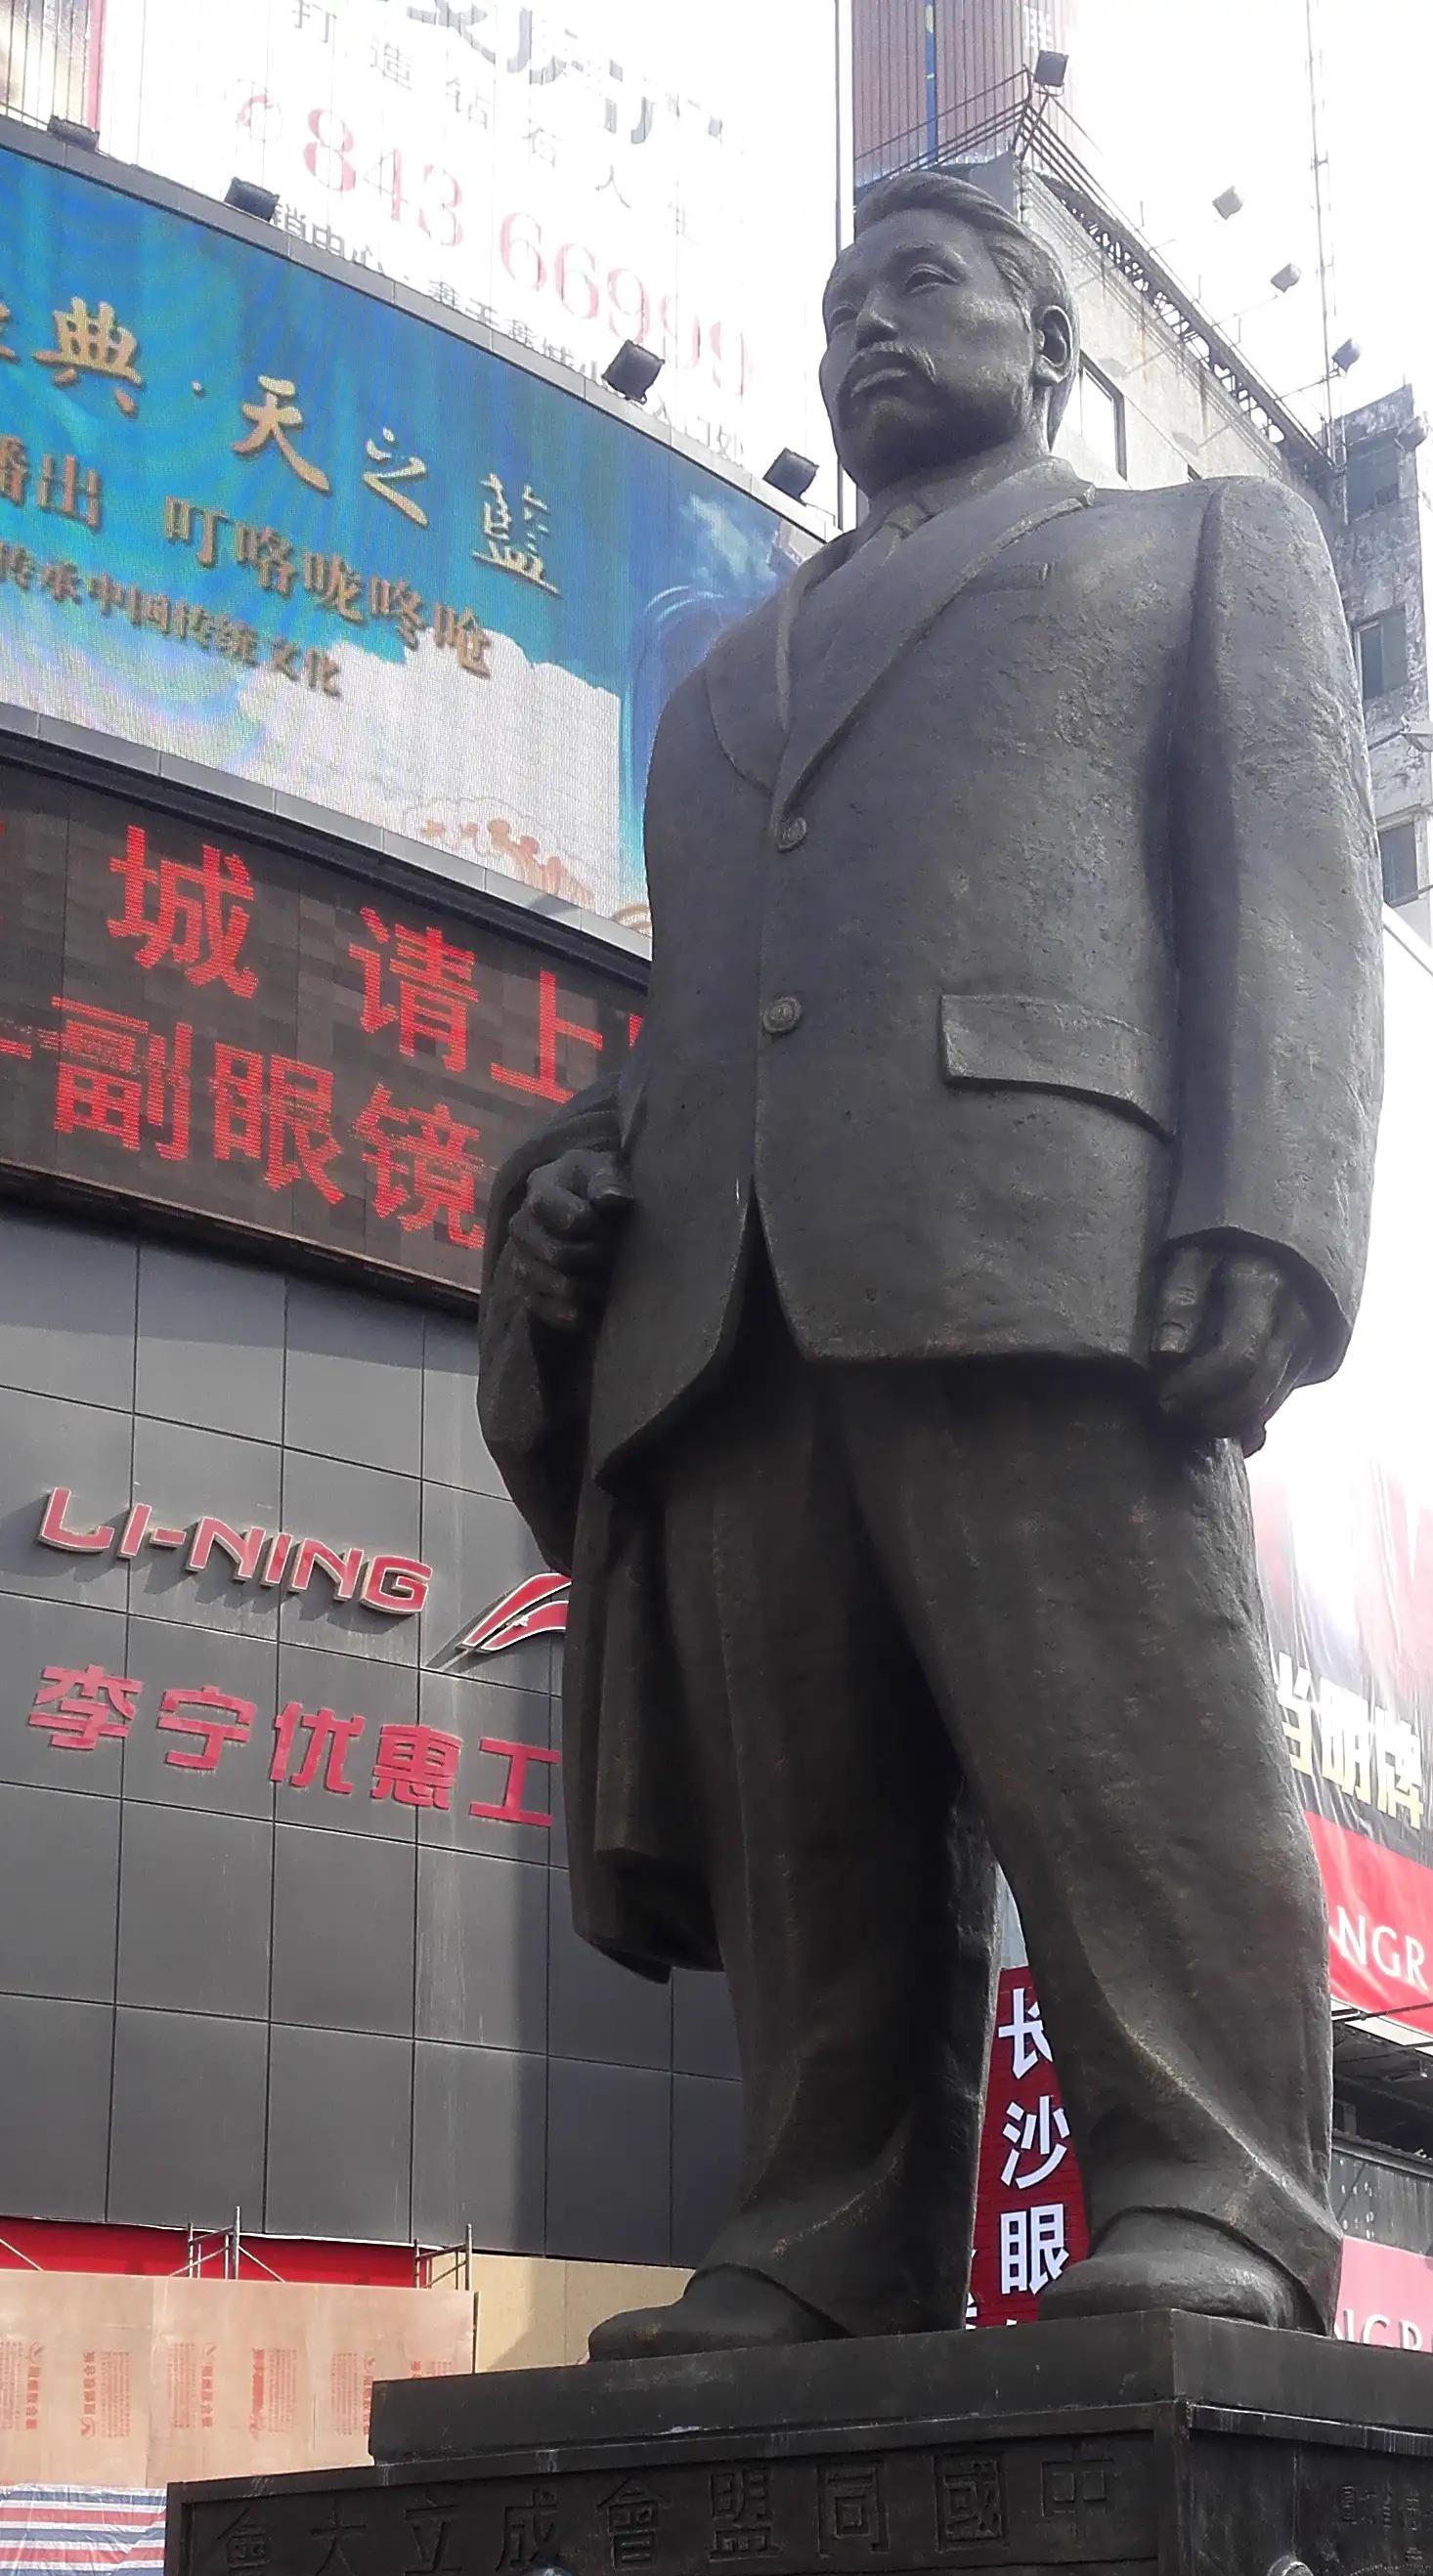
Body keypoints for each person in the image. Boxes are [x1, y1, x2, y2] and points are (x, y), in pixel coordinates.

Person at [480, 166, 1381, 2358]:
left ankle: (1215, 2189)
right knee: (804, 1809)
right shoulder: (722, 676)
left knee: (1123, 1746)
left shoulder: (1195, 546)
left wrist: (1271, 1203)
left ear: (1048, 344)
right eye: (838, 307)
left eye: (924, 285)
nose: (868, 327)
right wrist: (566, 1182)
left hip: (1039, 1238)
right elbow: (715, 1008)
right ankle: (823, 2228)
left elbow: (1292, 892)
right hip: (728, 1296)